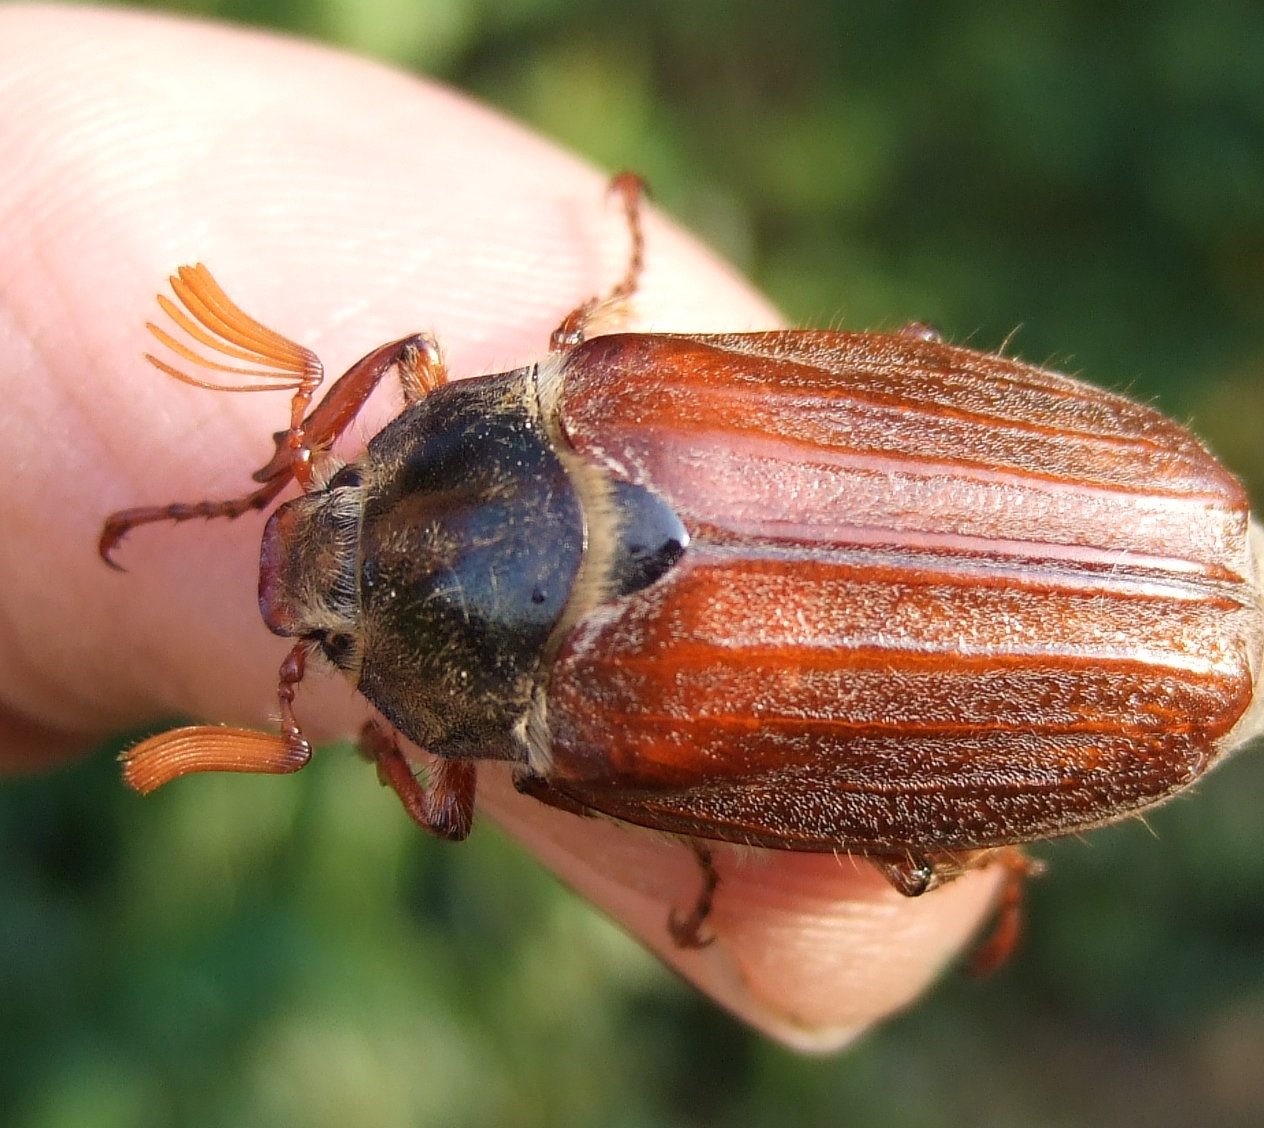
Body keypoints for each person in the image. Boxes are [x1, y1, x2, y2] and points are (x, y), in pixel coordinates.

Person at [0, 5, 1004, 1049]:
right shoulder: (586, 406)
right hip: (1095, 580)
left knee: (872, 846)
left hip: (1078, 628)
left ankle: (973, 850)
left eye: (327, 486)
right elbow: (405, 354)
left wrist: (384, 741)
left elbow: (448, 810)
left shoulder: (583, 726)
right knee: (907, 361)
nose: (311, 582)